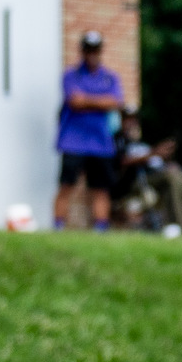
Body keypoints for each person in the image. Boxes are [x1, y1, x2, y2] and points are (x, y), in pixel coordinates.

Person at [56, 31, 125, 231]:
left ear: (100, 51)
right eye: (88, 49)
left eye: (96, 49)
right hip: (73, 140)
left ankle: (101, 229)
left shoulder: (110, 78)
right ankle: (58, 227)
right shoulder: (71, 75)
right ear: (82, 51)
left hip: (101, 143)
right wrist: (100, 101)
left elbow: (116, 101)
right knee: (66, 185)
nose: (92, 54)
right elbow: (75, 102)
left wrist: (87, 100)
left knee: (101, 189)